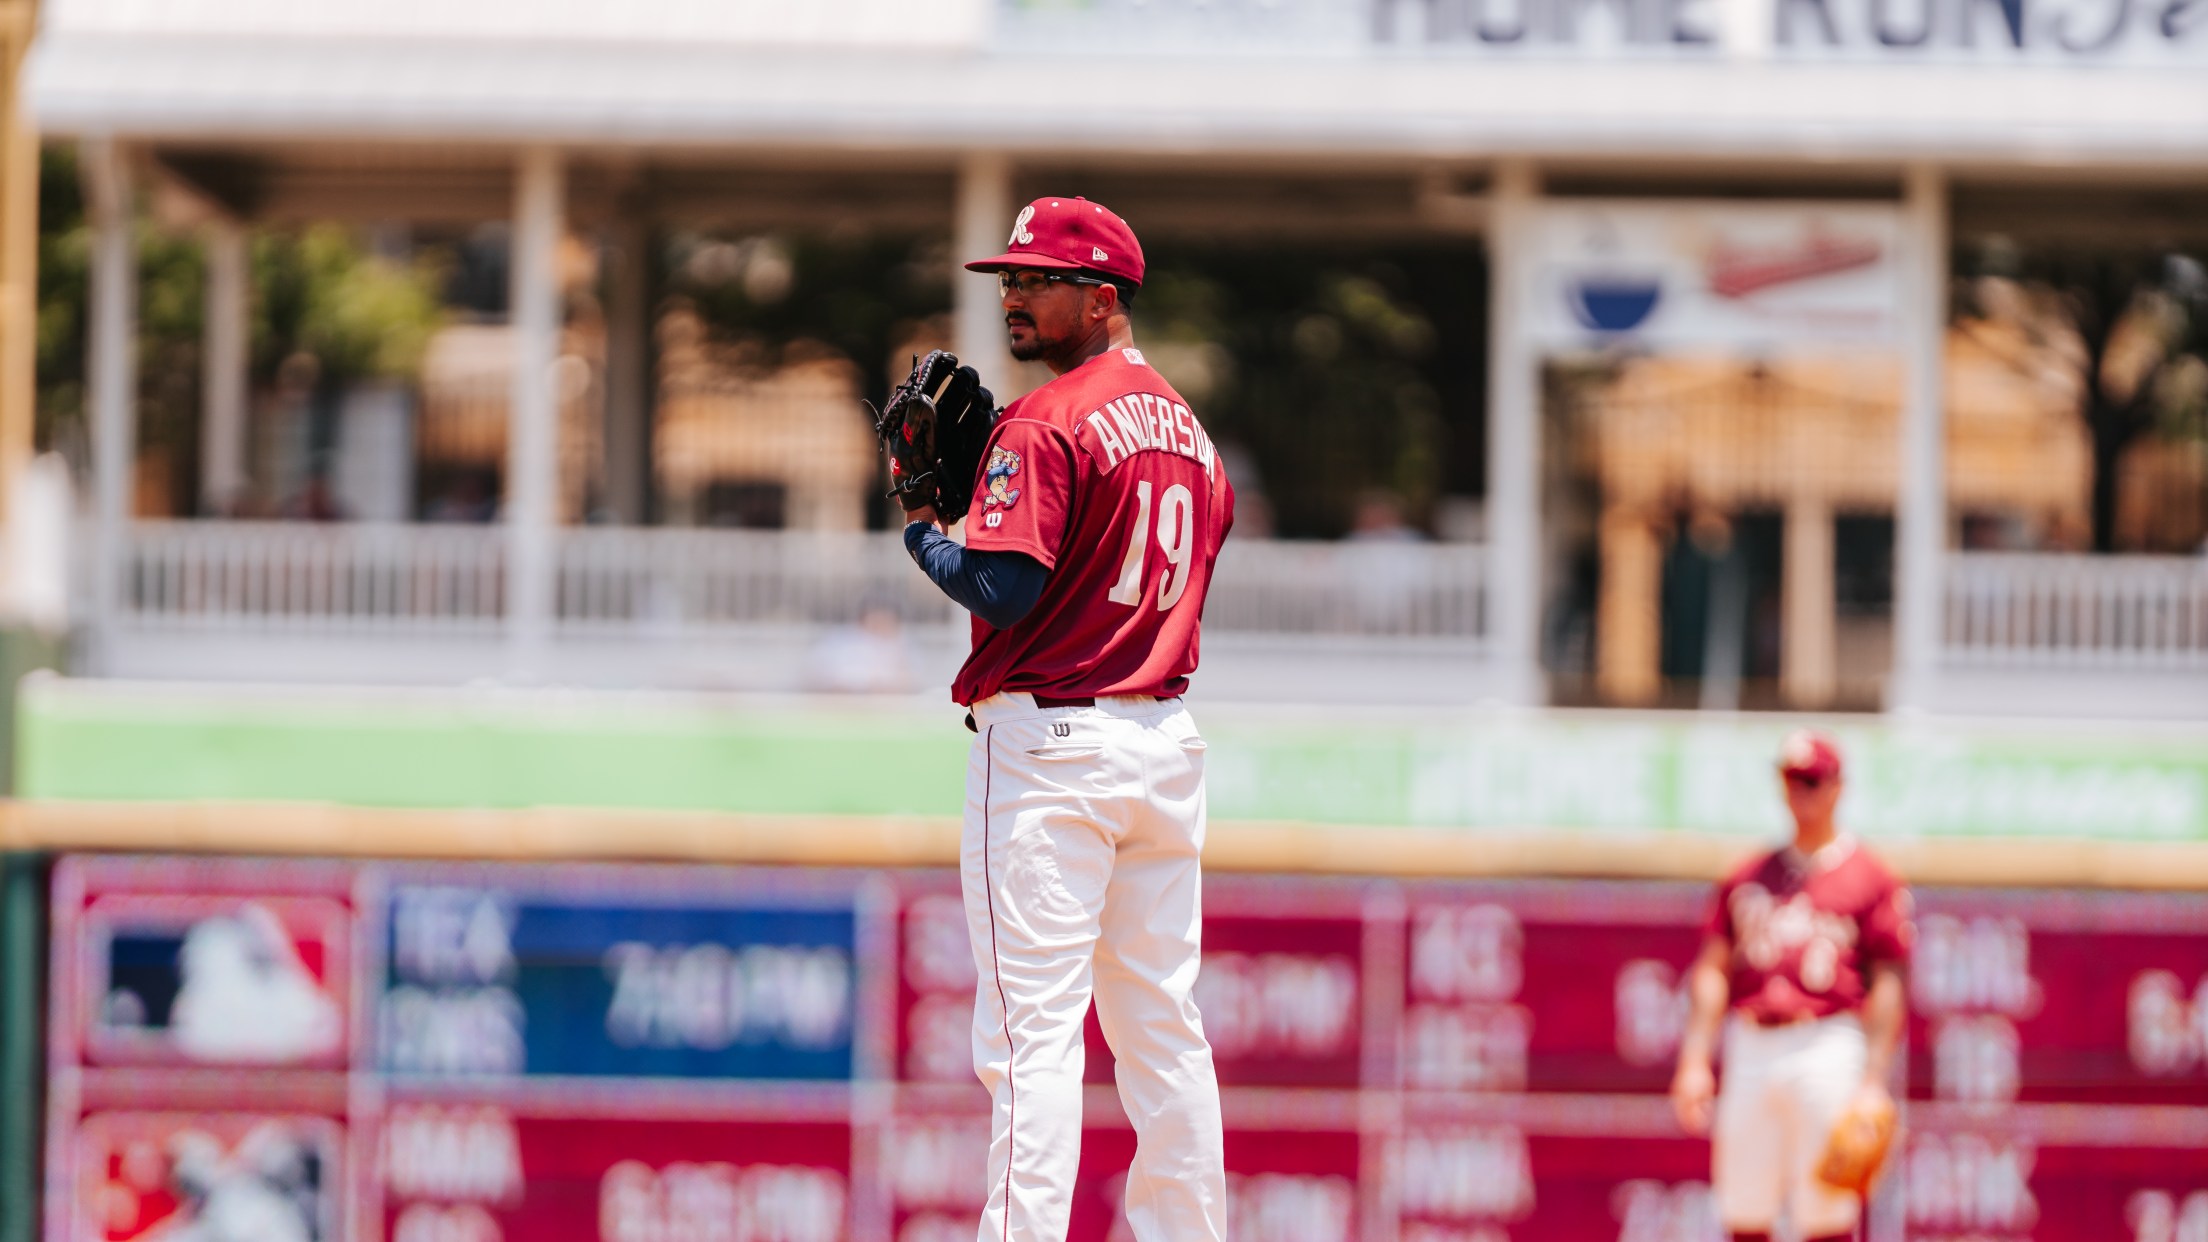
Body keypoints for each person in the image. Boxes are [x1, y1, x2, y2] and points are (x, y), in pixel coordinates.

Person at [898, 195, 1233, 1241]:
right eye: (1008, 280)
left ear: (1101, 297)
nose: (1013, 296)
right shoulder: (1193, 434)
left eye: (1036, 279)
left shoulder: (1049, 421)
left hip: (1051, 751)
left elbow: (1002, 592)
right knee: (1163, 1029)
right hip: (1162, 746)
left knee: (1031, 1037)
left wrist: (920, 521)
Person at [1670, 730, 1914, 1242]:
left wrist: (1873, 1082)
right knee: (1744, 1206)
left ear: (1837, 787)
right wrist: (1695, 1059)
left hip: (1826, 1040)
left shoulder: (1869, 877)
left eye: (1811, 780)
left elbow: (1889, 983)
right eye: (1791, 780)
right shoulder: (1749, 877)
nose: (1800, 792)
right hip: (1752, 1040)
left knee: (1825, 1210)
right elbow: (1713, 968)